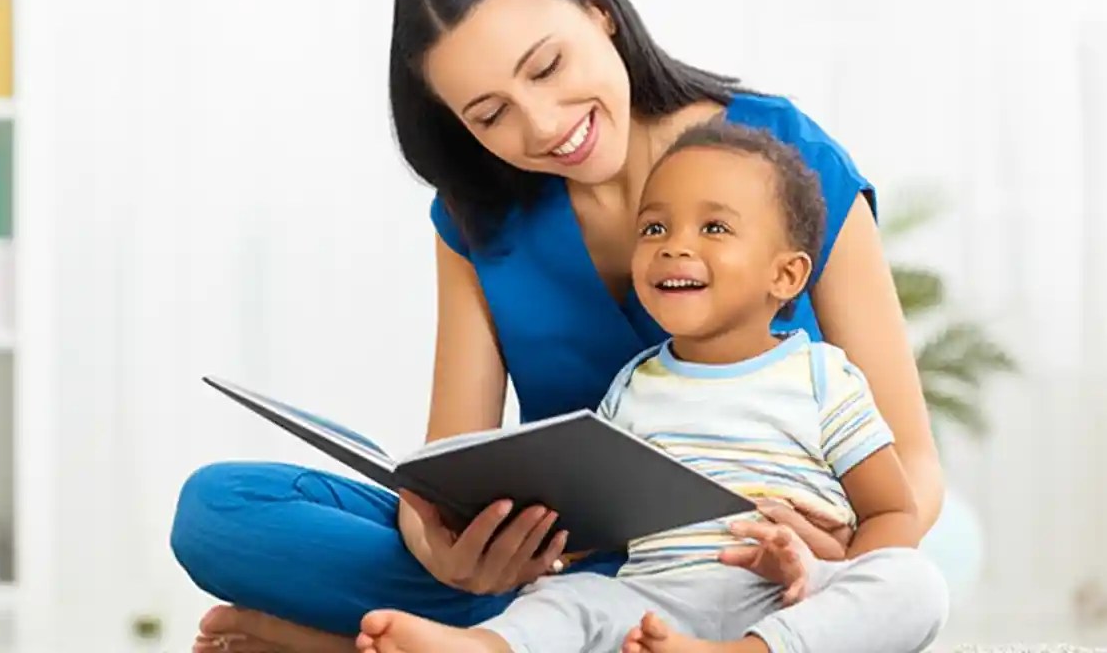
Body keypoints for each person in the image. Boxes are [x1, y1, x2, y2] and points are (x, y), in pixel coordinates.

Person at [169, 0, 945, 650]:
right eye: (490, 114)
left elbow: (912, 466)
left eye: (546, 67)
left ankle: (364, 643)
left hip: (769, 574)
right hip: (573, 577)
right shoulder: (477, 217)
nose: (542, 126)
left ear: (598, 9)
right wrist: (446, 552)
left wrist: (844, 551)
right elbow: (446, 462)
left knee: (901, 587)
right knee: (220, 509)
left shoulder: (783, 159)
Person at [354, 120, 949, 653]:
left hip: (787, 598)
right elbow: (599, 523)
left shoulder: (822, 377)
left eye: (714, 226)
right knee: (572, 599)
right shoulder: (633, 386)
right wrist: (532, 537)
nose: (675, 245)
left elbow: (892, 510)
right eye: (655, 226)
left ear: (786, 274)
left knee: (914, 583)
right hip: (658, 604)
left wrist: (825, 572)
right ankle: (485, 649)